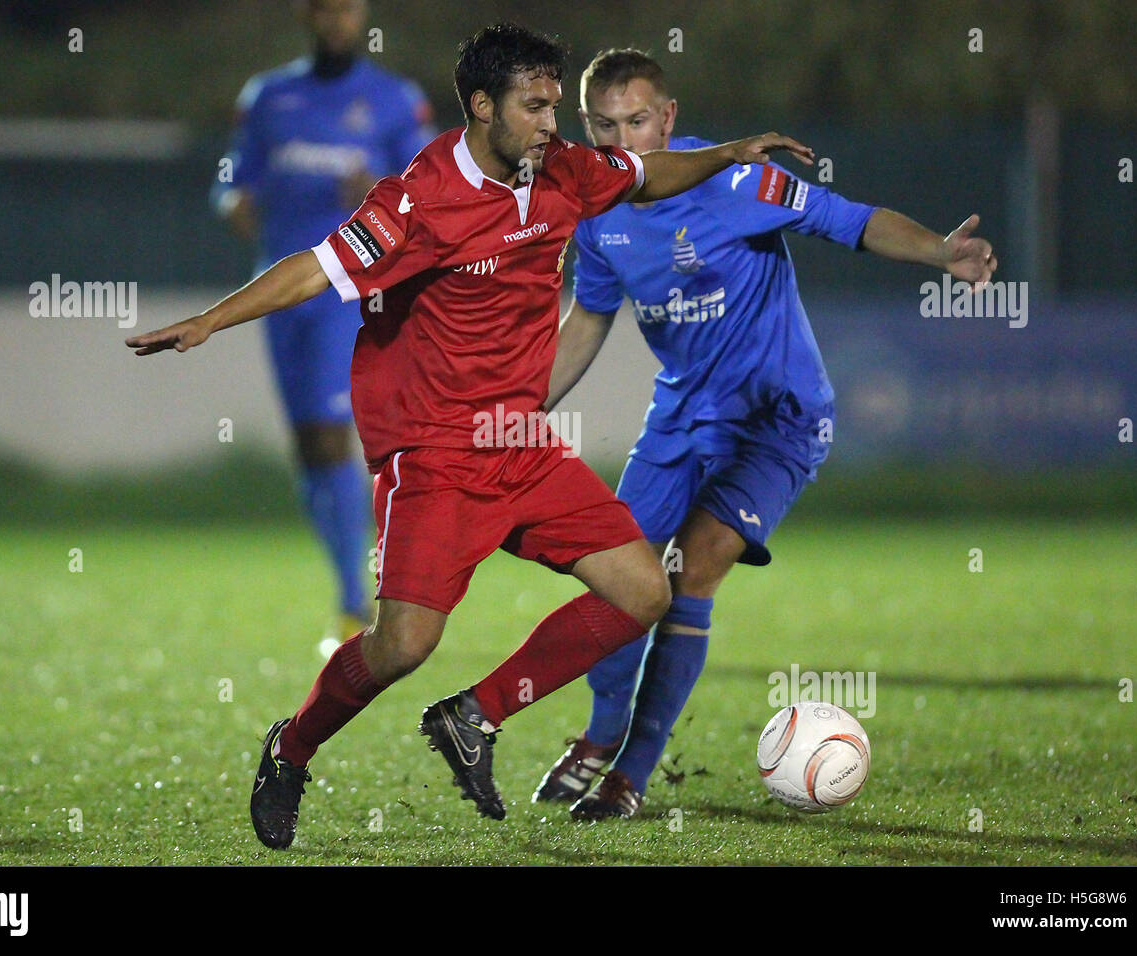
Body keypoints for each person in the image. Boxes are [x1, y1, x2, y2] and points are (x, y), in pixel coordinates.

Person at [128, 24, 814, 849]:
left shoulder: (561, 170)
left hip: (521, 444)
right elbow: (316, 265)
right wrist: (212, 320)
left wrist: (734, 150)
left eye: (556, 105)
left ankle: (475, 716)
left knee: (643, 592)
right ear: (482, 106)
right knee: (402, 645)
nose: (552, 123)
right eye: (535, 106)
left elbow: (647, 174)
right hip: (437, 453)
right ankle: (293, 749)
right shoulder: (419, 199)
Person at [535, 49, 996, 820]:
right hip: (680, 416)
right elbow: (587, 319)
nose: (625, 141)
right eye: (606, 126)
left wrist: (938, 251)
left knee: (698, 566)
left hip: (779, 417)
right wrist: (521, 405)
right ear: (588, 127)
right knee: (618, 579)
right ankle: (602, 733)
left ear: (669, 118)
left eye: (639, 122)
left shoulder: (735, 179)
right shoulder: (599, 210)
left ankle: (631, 774)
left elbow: (848, 221)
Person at [212, 0, 434, 638]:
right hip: (280, 290)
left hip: (349, 289)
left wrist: (379, 194)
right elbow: (234, 173)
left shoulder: (393, 99)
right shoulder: (268, 96)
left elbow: (427, 192)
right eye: (326, 8)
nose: (337, 19)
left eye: (347, 8)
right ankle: (351, 582)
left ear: (361, 15)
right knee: (311, 443)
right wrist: (231, 200)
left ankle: (353, 602)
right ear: (308, 15)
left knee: (336, 434)